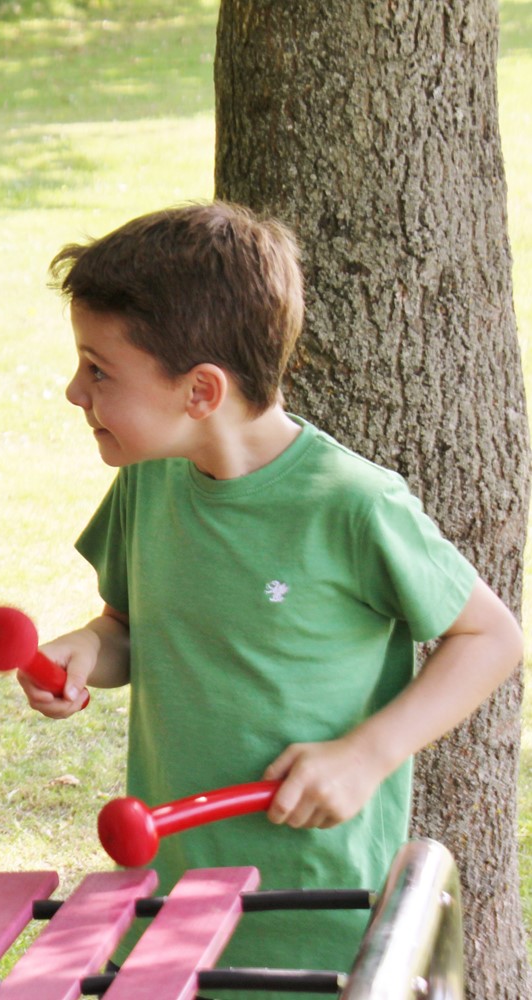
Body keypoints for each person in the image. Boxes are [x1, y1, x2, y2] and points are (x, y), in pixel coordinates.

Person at [27, 201, 521, 991]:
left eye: (99, 370)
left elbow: (492, 638)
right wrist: (85, 651)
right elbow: (128, 626)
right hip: (168, 899)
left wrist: (370, 753)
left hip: (314, 918)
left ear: (200, 392)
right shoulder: (148, 486)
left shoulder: (351, 504)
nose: (73, 391)